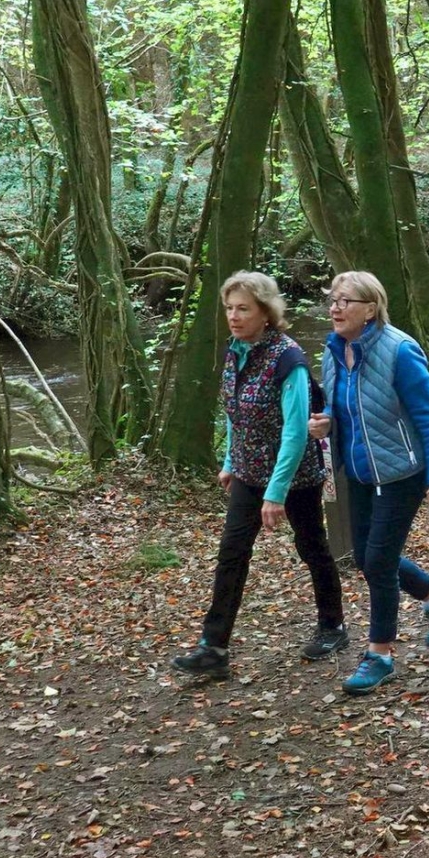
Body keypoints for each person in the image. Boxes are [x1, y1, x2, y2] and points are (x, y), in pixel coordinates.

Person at [171, 273, 348, 680]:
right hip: (249, 473)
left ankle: (333, 626)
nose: (233, 316)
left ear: (266, 313)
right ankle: (213, 647)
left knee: (311, 547)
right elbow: (234, 411)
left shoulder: (289, 360)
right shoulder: (235, 351)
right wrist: (230, 461)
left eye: (243, 309)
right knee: (232, 553)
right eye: (229, 308)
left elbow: (296, 431)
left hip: (295, 474)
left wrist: (276, 493)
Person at [307, 272, 429, 695]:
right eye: (332, 300)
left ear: (371, 308)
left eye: (345, 301)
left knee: (377, 562)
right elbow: (344, 409)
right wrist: (326, 424)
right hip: (359, 473)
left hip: (402, 473)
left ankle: (380, 655)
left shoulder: (400, 350)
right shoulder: (333, 351)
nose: (335, 308)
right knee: (366, 556)